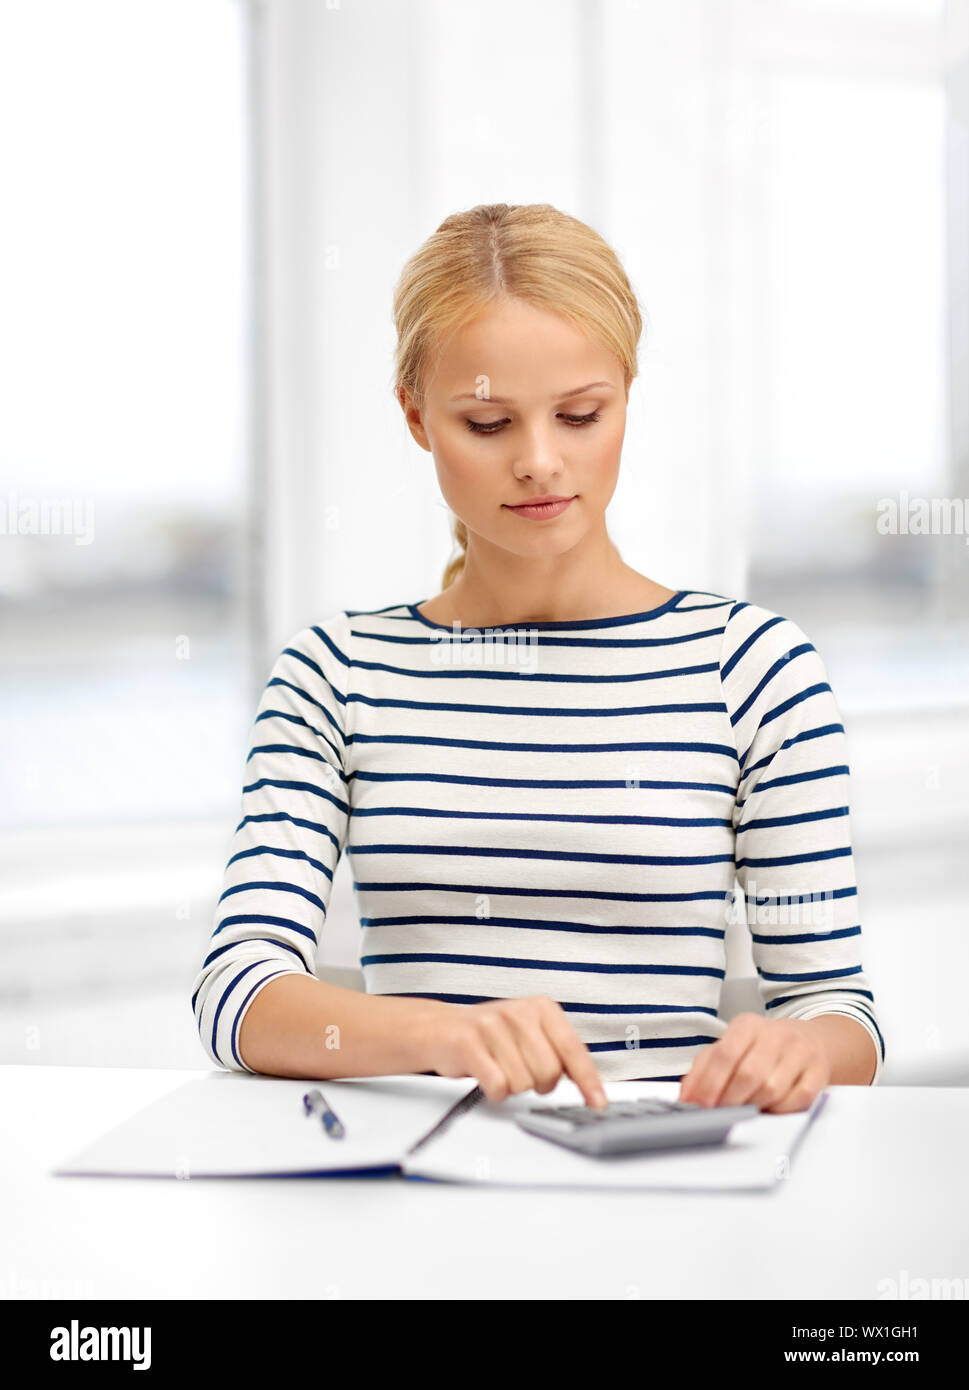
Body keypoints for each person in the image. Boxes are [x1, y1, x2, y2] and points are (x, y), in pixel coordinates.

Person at [191, 202, 884, 1114]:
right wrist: (440, 1036)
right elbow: (236, 993)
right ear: (415, 417)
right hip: (421, 1172)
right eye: (487, 424)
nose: (541, 461)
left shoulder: (751, 668)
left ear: (626, 397)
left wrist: (795, 1050)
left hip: (665, 1166)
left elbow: (839, 1013)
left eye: (580, 414)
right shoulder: (336, 673)